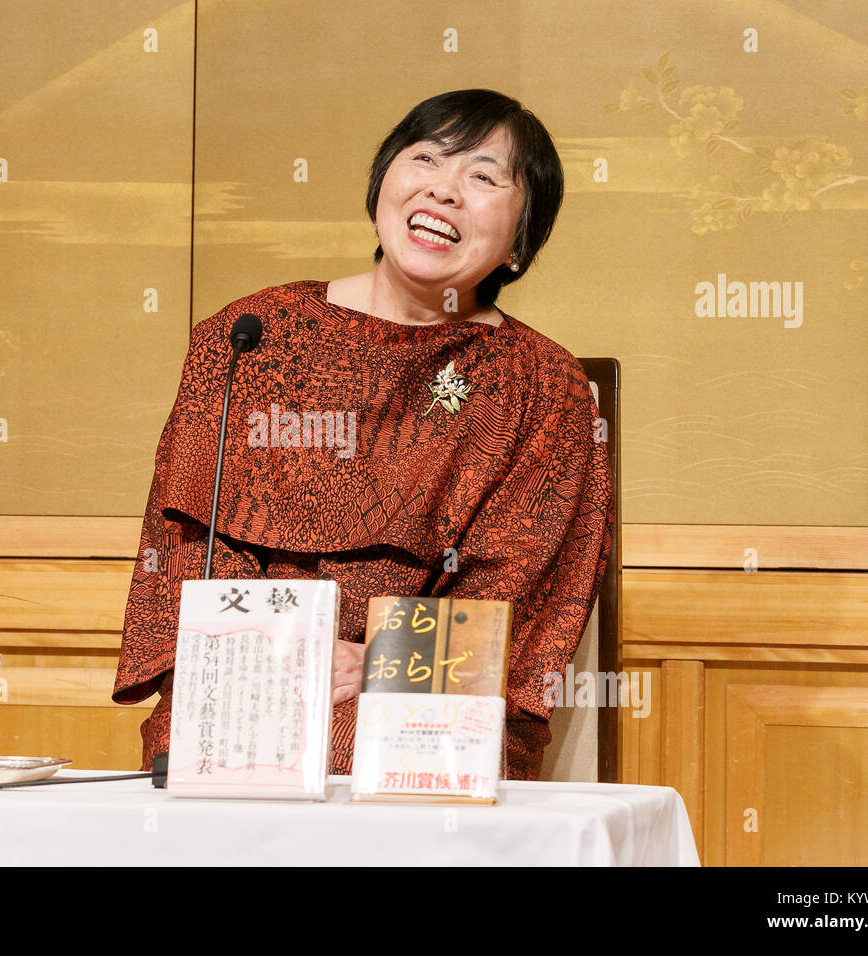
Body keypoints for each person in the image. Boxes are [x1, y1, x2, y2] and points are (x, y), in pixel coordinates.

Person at [111, 89, 614, 780]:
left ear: (522, 239)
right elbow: (186, 551)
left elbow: (517, 594)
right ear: (384, 180)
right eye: (427, 158)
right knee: (221, 746)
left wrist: (379, 659)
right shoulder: (250, 337)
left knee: (363, 754)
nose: (444, 188)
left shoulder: (542, 386)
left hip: (426, 701)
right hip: (244, 681)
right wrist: (281, 655)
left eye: (485, 177)